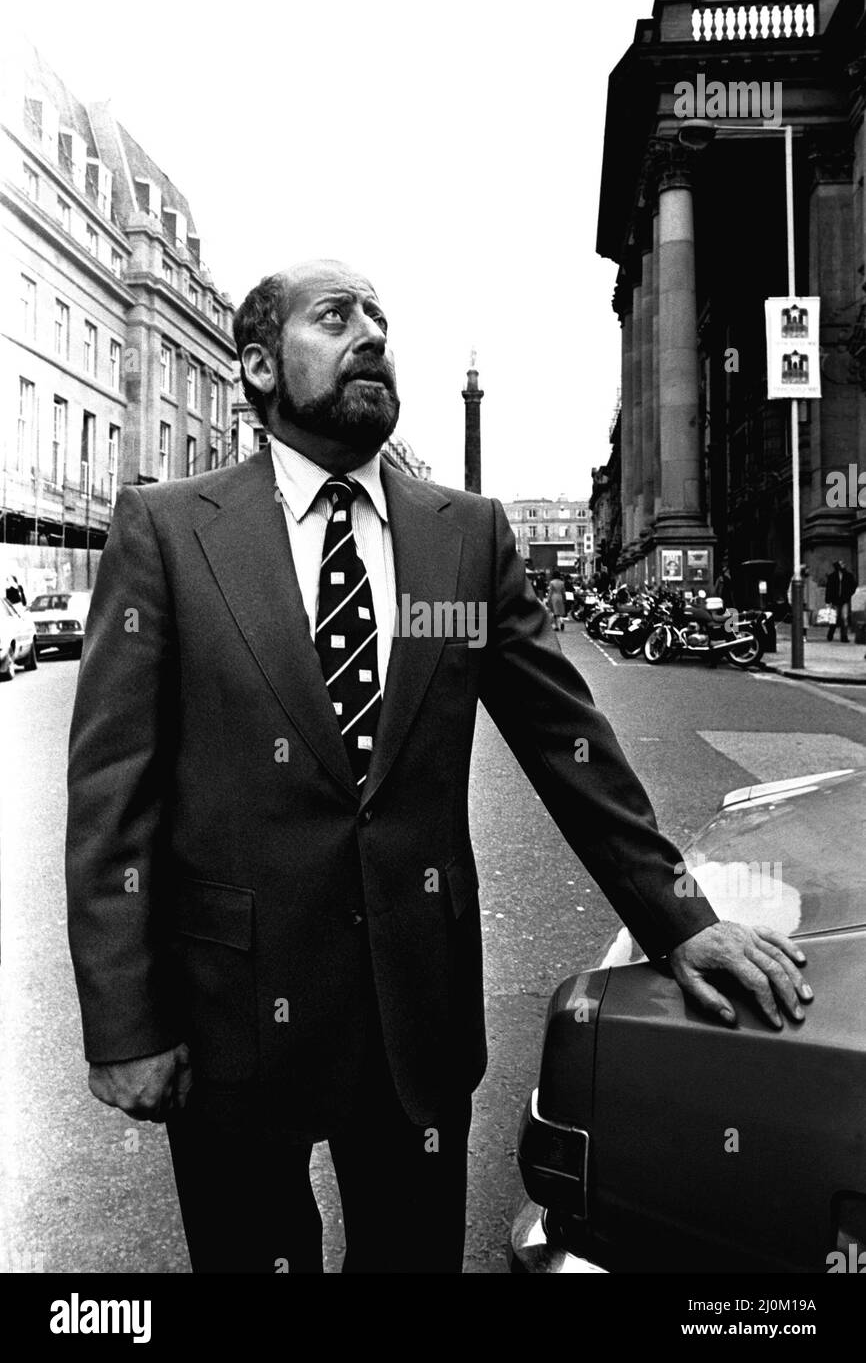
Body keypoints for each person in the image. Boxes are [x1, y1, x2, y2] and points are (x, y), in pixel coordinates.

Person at [66, 259, 812, 1276]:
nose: (371, 332)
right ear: (255, 366)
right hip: (230, 1011)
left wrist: (680, 918)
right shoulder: (168, 533)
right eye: (335, 317)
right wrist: (123, 1021)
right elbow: (115, 792)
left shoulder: (460, 539)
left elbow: (569, 746)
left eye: (379, 316)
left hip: (410, 1011)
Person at [825, 558, 856, 643]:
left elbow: (853, 586)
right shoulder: (832, 576)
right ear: (837, 566)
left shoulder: (849, 576)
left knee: (844, 618)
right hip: (835, 600)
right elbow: (828, 589)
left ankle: (844, 637)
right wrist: (827, 601)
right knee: (834, 618)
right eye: (842, 564)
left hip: (844, 600)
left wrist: (849, 595)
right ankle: (830, 634)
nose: (844, 565)